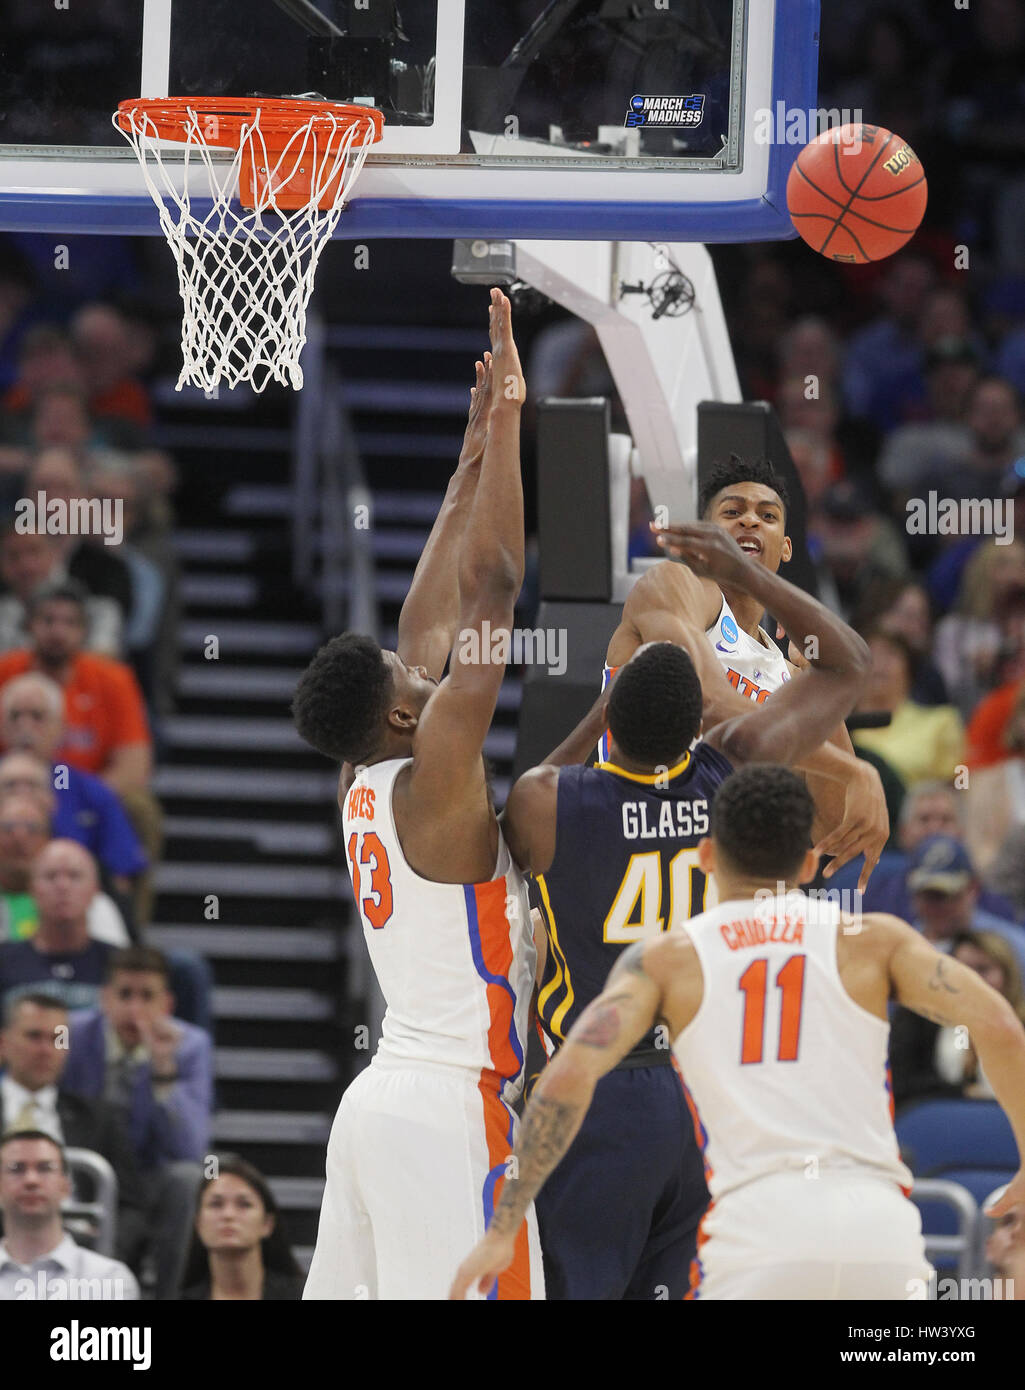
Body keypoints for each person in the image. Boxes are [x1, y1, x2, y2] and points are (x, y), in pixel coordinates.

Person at [451, 764, 1025, 1301]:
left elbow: (570, 1076)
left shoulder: (668, 961)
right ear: (807, 864)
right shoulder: (874, 940)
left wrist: (504, 1227)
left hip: (757, 1236)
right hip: (878, 1231)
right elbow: (998, 1023)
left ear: (705, 854)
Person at [500, 522, 871, 1299]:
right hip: (708, 1095)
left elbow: (538, 776)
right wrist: (751, 575)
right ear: (697, 721)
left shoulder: (547, 804)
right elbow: (846, 663)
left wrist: (608, 703)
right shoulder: (731, 767)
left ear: (611, 714)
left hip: (598, 1093)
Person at [292, 291, 543, 1300]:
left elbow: (426, 616)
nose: (422, 670)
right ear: (404, 718)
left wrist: (469, 460)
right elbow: (492, 589)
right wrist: (515, 413)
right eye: (411, 678)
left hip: (374, 1110)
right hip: (449, 1109)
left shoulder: (365, 775)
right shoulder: (435, 769)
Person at [607, 453, 889, 890]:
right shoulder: (674, 586)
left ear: (787, 546)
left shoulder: (785, 674)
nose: (750, 523)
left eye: (767, 515)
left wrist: (816, 682)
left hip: (732, 875)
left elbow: (831, 827)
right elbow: (708, 705)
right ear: (705, 538)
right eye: (733, 512)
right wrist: (856, 771)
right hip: (639, 832)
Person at [62, 947, 211, 1301]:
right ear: (104, 998)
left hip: (149, 1175)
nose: (134, 1009)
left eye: (147, 996)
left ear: (167, 1005)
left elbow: (191, 1147)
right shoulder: (70, 1035)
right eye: (124, 994)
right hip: (84, 1173)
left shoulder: (189, 1046)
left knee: (189, 1180)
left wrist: (164, 1072)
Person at [0, 992, 146, 1262]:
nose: (45, 1049)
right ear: (3, 1043)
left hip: (84, 1256)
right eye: (34, 1036)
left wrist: (106, 1256)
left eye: (57, 1039)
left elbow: (131, 1207)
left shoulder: (100, 1118)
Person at [890, 929, 1025, 1107]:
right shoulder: (917, 1017)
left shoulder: (1020, 1024)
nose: (972, 979)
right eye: (962, 971)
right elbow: (902, 1084)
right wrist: (961, 1092)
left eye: (983, 969)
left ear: (1007, 976)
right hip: (937, 1125)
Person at [0, 1131, 139, 1300]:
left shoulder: (109, 1278)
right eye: (16, 1169)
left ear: (66, 1186)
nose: (31, 1180)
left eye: (45, 1168)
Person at [0, 840, 114, 1012]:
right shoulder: (4, 961)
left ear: (95, 890)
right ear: (32, 890)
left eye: (74, 876)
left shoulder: (116, 963)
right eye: (50, 876)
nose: (63, 886)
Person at [178, 1156, 303, 1301]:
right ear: (198, 1223)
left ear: (267, 1224)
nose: (228, 1215)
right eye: (216, 1204)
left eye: (244, 1204)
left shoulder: (307, 1295)